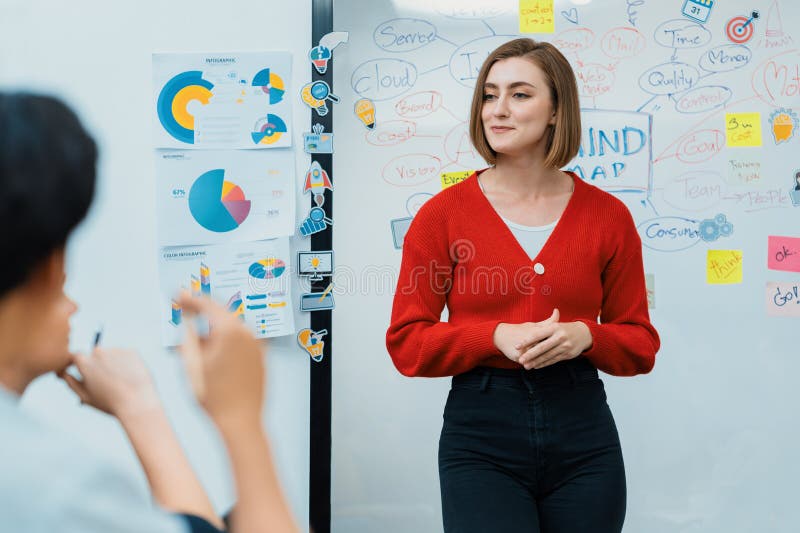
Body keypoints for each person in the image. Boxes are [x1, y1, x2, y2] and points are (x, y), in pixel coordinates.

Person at [386, 38, 660, 533]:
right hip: (482, 435)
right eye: (489, 95)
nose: (498, 110)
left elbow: (640, 345)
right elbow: (407, 343)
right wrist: (492, 336)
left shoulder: (608, 217)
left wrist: (588, 336)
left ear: (557, 110)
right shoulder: (441, 216)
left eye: (519, 94)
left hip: (584, 435)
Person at [0, 92, 297, 533]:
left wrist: (137, 406)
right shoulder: (56, 490)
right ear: (50, 263)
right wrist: (241, 421)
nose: (72, 304)